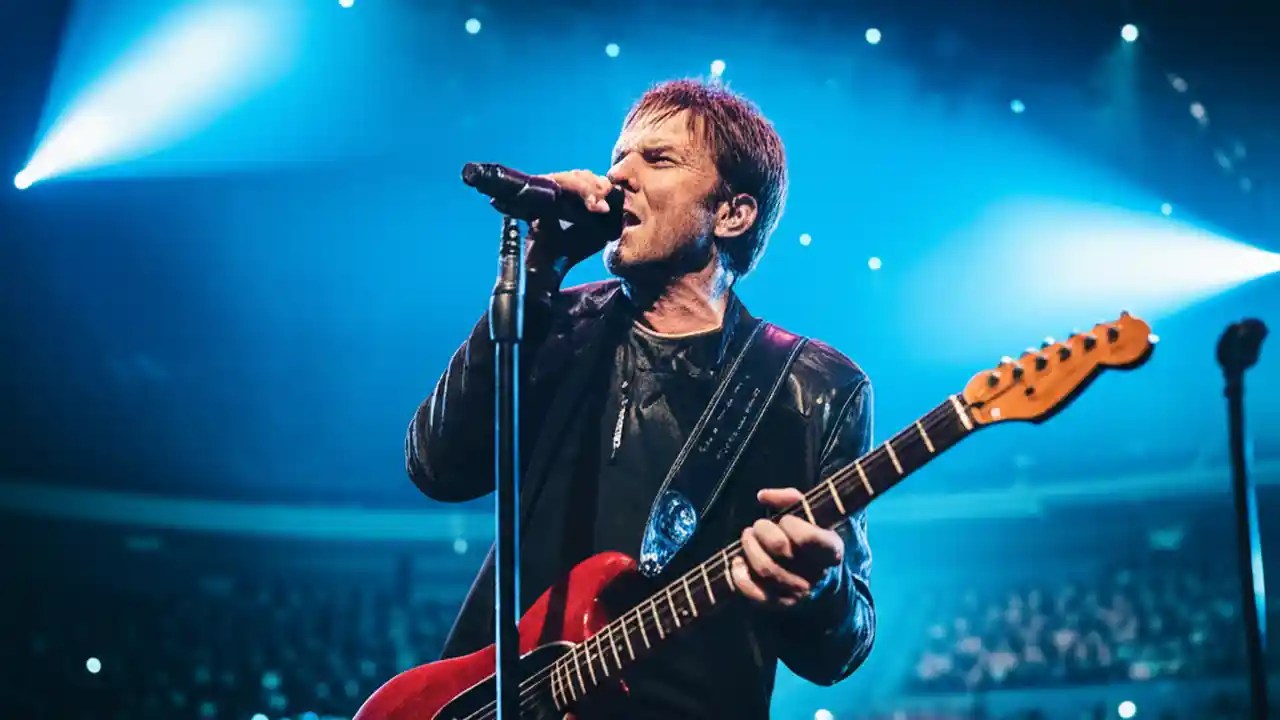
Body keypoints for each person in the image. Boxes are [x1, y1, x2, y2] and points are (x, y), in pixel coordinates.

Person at [406, 78, 875, 719]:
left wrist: (822, 590)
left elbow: (838, 653)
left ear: (732, 213)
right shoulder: (551, 325)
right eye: (618, 157)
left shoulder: (813, 387)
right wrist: (539, 271)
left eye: (658, 159)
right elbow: (437, 467)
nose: (618, 175)